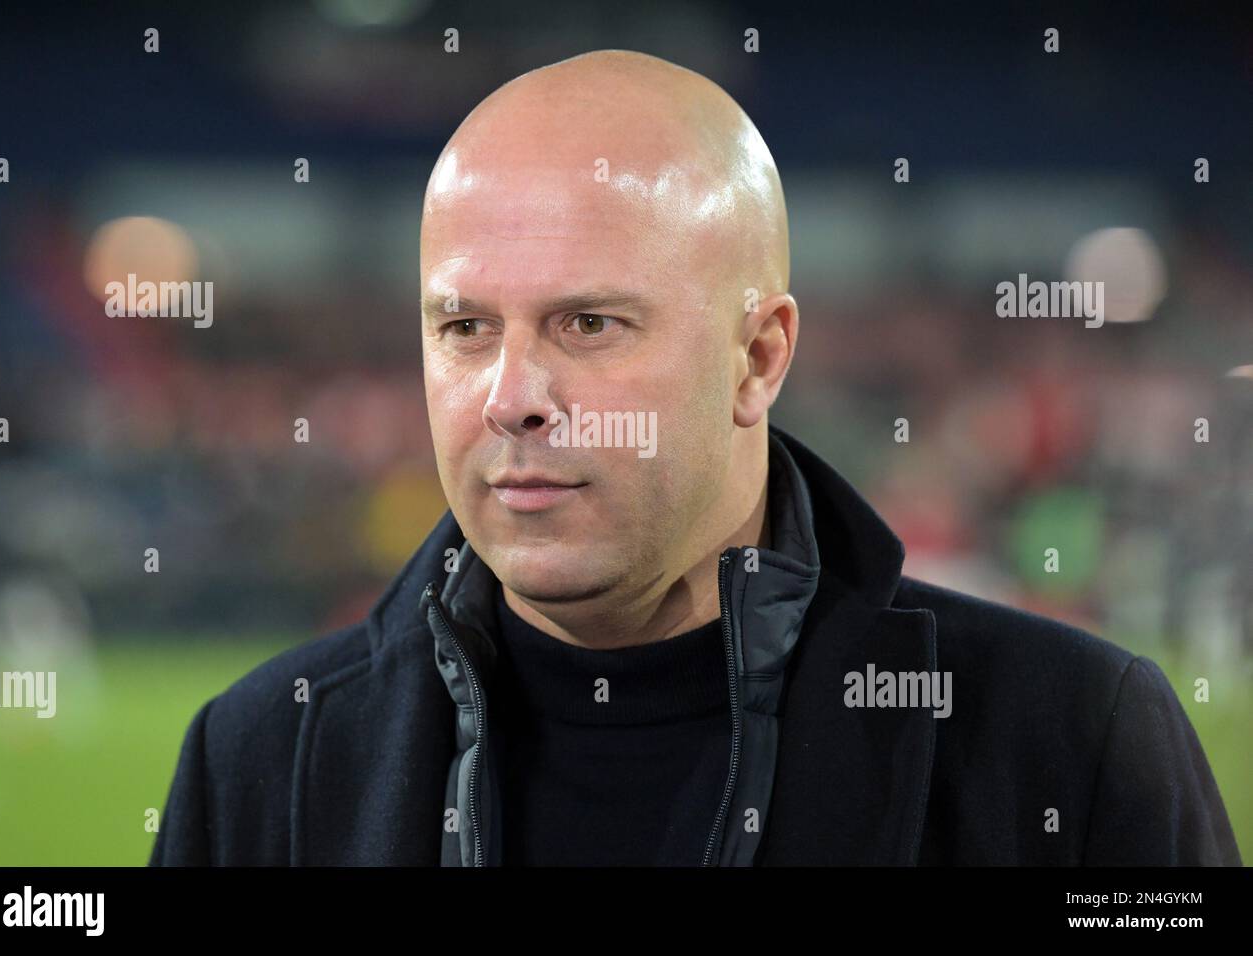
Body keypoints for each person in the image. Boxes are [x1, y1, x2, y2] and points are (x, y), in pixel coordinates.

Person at [149, 49, 1241, 866]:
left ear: (757, 358)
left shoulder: (1068, 740)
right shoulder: (257, 762)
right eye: (464, 327)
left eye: (587, 324)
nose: (512, 398)